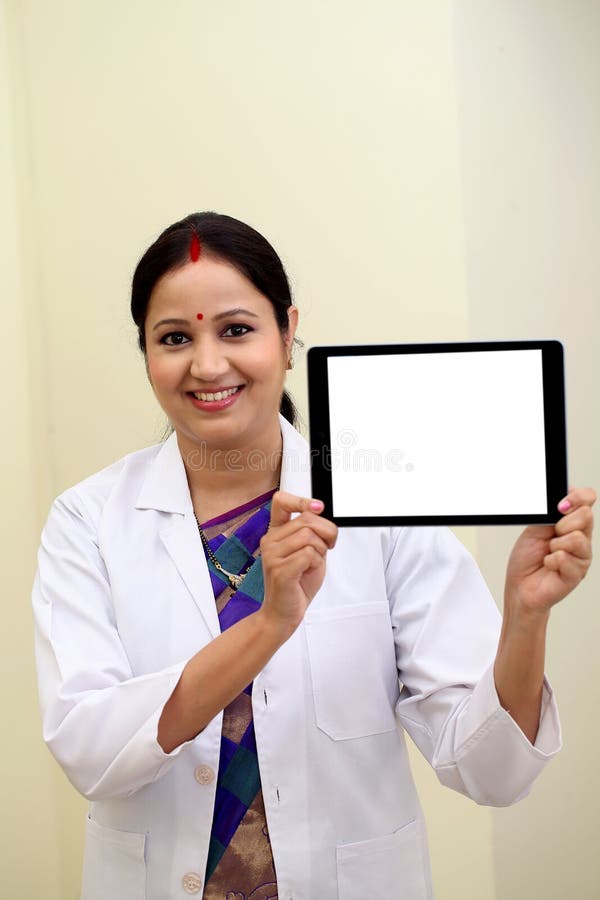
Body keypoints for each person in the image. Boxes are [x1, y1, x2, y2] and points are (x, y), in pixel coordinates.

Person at [32, 211, 595, 900]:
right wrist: (269, 624)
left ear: (288, 332)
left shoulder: (379, 510)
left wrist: (525, 616)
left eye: (237, 329)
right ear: (145, 351)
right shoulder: (88, 522)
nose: (208, 365)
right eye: (175, 338)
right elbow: (92, 751)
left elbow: (492, 771)